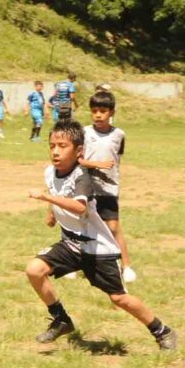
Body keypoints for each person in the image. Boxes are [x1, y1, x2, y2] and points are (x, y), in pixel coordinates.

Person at [25, 120, 177, 351]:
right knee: (34, 270)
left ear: (79, 151)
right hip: (71, 244)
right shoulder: (49, 171)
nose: (55, 151)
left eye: (62, 146)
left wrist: (46, 198)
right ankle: (61, 319)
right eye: (52, 145)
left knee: (119, 299)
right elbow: (58, 191)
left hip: (97, 248)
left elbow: (79, 208)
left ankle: (162, 330)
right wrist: (51, 212)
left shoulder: (82, 177)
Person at [77, 90, 136, 283]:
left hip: (109, 188)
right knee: (81, 225)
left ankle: (126, 266)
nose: (98, 115)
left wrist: (109, 172)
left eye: (102, 111)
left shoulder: (119, 134)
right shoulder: (84, 133)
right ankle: (75, 264)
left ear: (111, 112)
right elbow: (78, 160)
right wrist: (96, 165)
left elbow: (117, 158)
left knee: (113, 226)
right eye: (94, 111)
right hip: (86, 187)